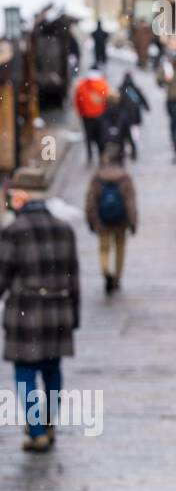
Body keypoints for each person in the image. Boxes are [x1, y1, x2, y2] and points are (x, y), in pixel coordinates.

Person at [0, 168, 79, 452]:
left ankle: (36, 431)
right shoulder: (64, 229)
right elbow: (73, 277)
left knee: (25, 373)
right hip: (58, 312)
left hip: (26, 312)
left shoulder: (13, 232)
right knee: (52, 370)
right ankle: (48, 422)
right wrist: (74, 316)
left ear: (20, 195)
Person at [85, 144, 137, 295]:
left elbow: (90, 201)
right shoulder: (125, 178)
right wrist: (133, 222)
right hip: (121, 221)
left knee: (104, 249)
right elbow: (130, 203)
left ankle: (106, 271)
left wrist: (91, 220)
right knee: (120, 249)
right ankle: (117, 278)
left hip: (102, 221)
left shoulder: (97, 178)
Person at [73, 69, 110, 164]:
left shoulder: (82, 85)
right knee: (100, 135)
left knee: (88, 136)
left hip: (86, 116)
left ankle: (89, 155)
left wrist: (80, 112)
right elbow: (106, 99)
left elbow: (78, 101)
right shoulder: (102, 84)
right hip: (99, 115)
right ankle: (101, 154)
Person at [119, 72, 150, 161]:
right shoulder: (135, 89)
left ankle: (126, 151)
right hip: (135, 117)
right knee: (134, 136)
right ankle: (133, 152)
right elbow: (143, 99)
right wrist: (147, 107)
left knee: (125, 135)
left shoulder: (121, 89)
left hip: (124, 118)